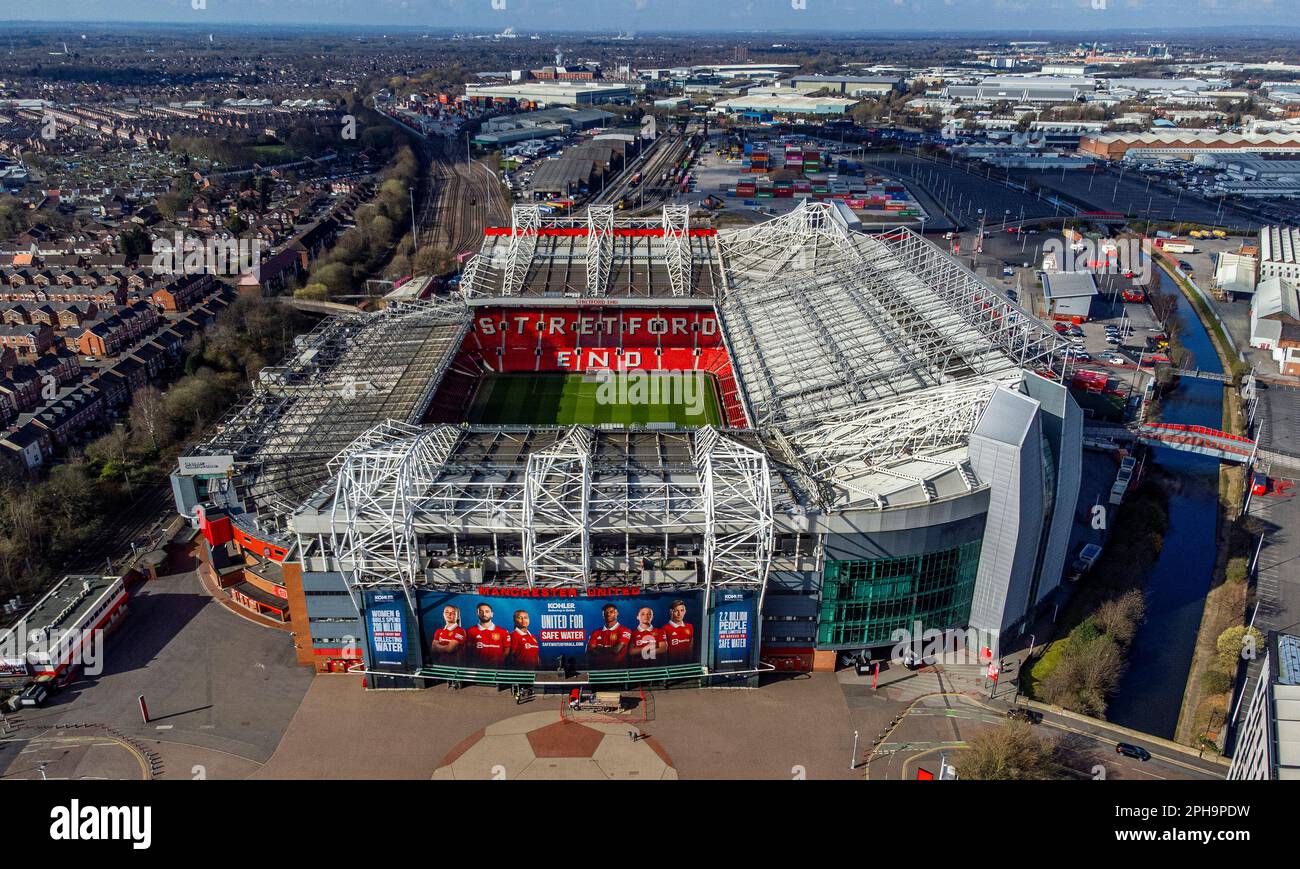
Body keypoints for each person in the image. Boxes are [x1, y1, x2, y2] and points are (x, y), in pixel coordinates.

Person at [586, 603, 632, 669]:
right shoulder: (596, 632)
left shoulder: (625, 630)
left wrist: (599, 648)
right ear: (603, 615)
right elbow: (589, 651)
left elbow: (616, 649)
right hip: (599, 670)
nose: (608, 614)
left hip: (618, 670)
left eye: (611, 612)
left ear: (617, 613)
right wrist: (609, 649)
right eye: (606, 612)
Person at [466, 602, 509, 669]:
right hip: (477, 668)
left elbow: (507, 649)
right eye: (481, 611)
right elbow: (468, 650)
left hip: (497, 669)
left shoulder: (503, 631)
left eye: (487, 611)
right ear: (477, 614)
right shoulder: (470, 631)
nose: (484, 614)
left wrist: (499, 661)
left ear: (492, 614)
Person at [662, 599, 695, 665]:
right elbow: (663, 652)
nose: (679, 614)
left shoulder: (690, 626)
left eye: (682, 610)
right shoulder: (665, 628)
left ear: (685, 611)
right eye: (676, 611)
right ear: (671, 612)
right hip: (671, 666)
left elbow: (691, 647)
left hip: (687, 665)